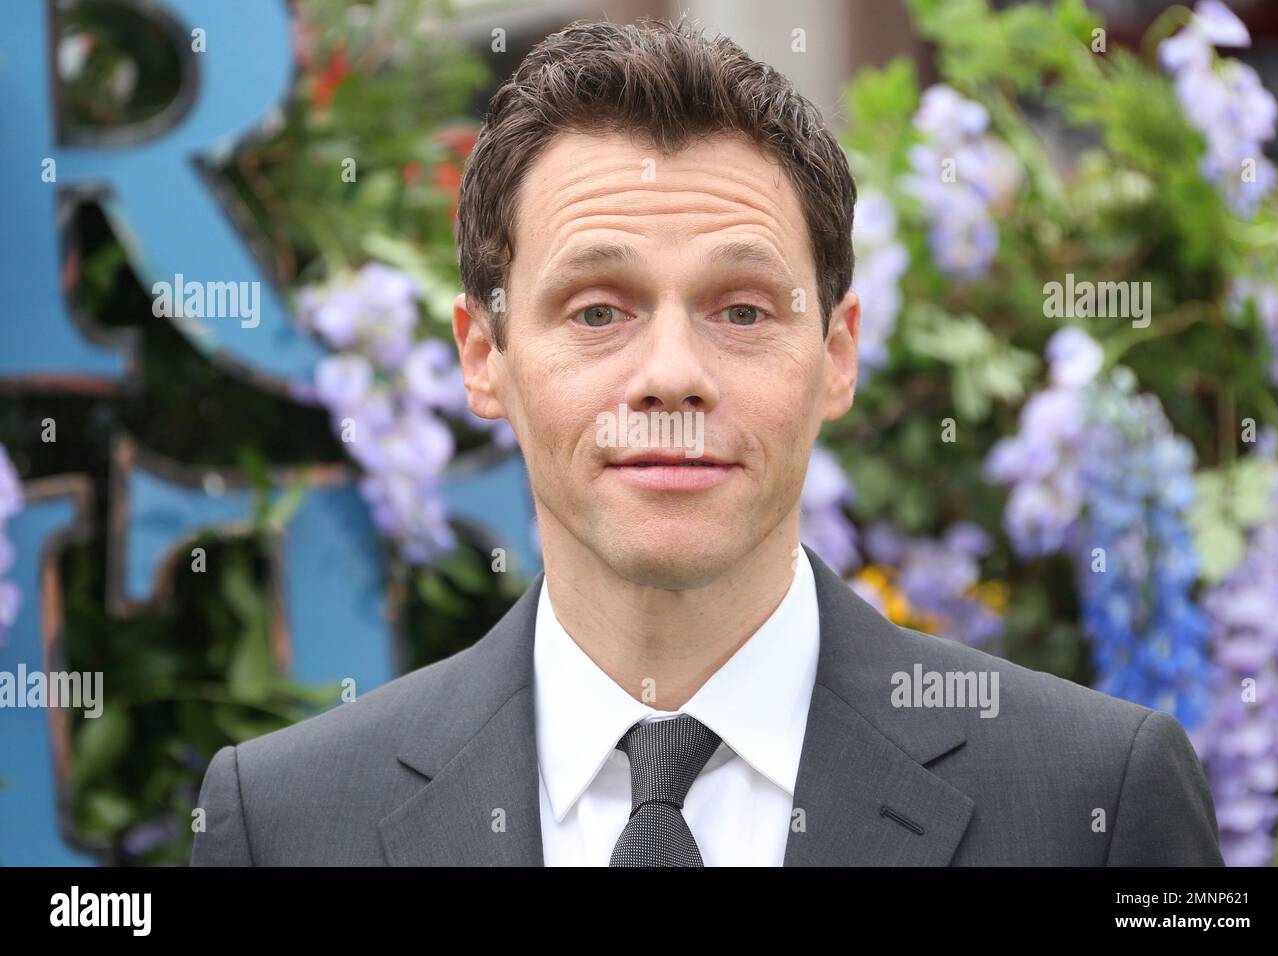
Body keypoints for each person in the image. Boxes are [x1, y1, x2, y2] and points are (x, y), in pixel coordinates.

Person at [190, 16, 1223, 866]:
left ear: (836, 352)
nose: (671, 372)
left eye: (739, 309)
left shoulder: (1096, 801)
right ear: (483, 356)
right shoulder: (282, 823)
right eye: (597, 309)